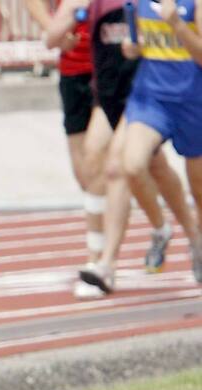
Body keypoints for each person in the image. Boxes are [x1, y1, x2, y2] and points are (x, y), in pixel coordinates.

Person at [46, 0, 193, 293]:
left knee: (122, 166)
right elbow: (51, 38)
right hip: (110, 92)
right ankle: (158, 232)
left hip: (145, 91)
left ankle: (106, 262)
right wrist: (65, 31)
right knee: (120, 164)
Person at [25, 0, 111, 298]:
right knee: (85, 172)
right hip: (73, 70)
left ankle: (100, 256)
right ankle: (107, 234)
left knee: (103, 159)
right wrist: (55, 28)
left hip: (111, 68)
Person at [120, 0, 202, 281]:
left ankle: (198, 242)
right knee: (132, 166)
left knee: (199, 188)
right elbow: (138, 44)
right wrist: (132, 48)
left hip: (193, 100)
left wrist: (177, 24)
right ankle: (161, 228)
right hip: (151, 98)